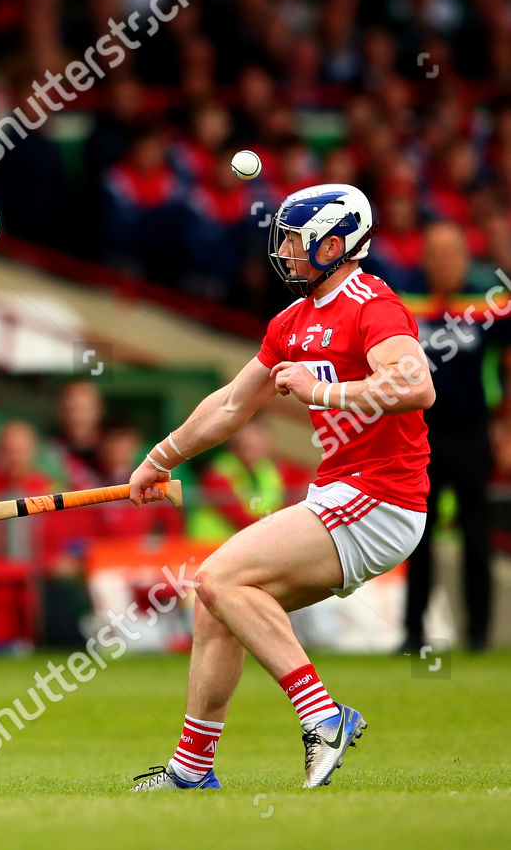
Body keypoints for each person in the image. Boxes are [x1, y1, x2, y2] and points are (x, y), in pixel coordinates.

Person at [126, 183, 433, 791]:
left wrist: (324, 393)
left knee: (218, 577)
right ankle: (192, 772)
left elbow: (417, 385)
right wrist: (161, 457)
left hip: (384, 496)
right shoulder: (291, 321)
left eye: (297, 242)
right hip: (342, 493)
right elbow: (233, 404)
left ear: (337, 244)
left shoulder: (374, 304)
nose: (286, 253)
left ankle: (325, 717)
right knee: (219, 602)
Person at [405, 221, 501, 652]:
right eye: (435, 253)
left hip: (471, 435)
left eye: (452, 253)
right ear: (425, 258)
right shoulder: (406, 304)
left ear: (465, 257)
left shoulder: (489, 306)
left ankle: (478, 635)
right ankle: (413, 635)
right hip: (418, 436)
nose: (444, 261)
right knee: (415, 536)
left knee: (476, 537)